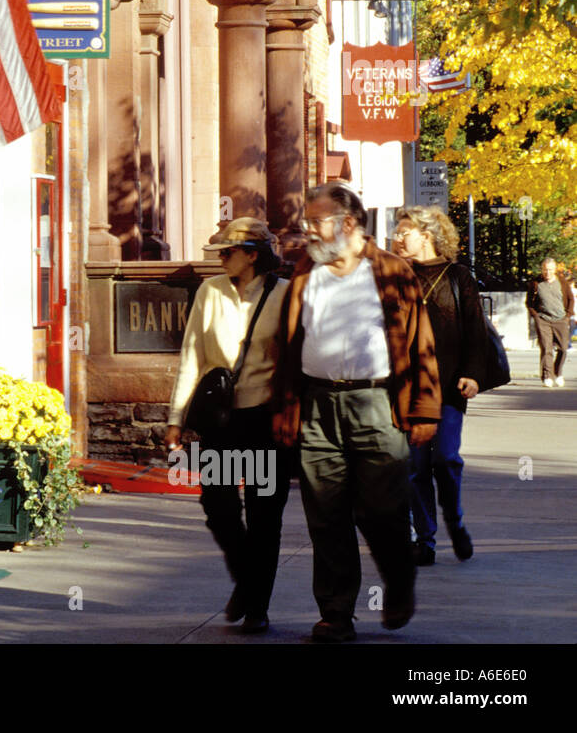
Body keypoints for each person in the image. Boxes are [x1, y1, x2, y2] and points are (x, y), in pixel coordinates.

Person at [273, 182, 441, 643]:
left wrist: (425, 410)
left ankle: (399, 582)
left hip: (377, 405)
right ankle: (336, 613)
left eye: (317, 220)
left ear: (347, 224)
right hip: (317, 404)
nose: (308, 228)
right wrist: (286, 407)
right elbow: (288, 346)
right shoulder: (306, 272)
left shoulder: (392, 272)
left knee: (382, 511)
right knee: (325, 514)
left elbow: (420, 343)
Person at [165, 218, 291, 635]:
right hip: (221, 419)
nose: (220, 258)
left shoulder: (286, 295)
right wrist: (176, 418)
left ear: (252, 254)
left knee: (264, 514)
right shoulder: (210, 291)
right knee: (217, 506)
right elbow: (192, 357)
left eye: (227, 252)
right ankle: (246, 579)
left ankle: (257, 605)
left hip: (265, 420)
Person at [392, 205, 489, 566]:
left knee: (446, 458)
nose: (397, 237)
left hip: (450, 385)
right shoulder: (397, 275)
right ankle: (426, 539)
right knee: (416, 466)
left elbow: (475, 330)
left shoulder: (457, 276)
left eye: (404, 231)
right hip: (409, 386)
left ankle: (455, 521)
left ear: (427, 236)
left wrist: (473, 373)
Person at [526, 257, 574, 388]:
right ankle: (547, 376)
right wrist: (536, 316)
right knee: (546, 348)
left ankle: (558, 373)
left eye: (550, 270)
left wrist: (568, 316)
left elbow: (570, 299)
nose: (547, 273)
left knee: (563, 349)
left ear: (555, 269)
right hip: (543, 320)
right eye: (545, 270)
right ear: (542, 269)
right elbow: (529, 302)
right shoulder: (536, 283)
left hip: (561, 319)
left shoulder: (562, 282)